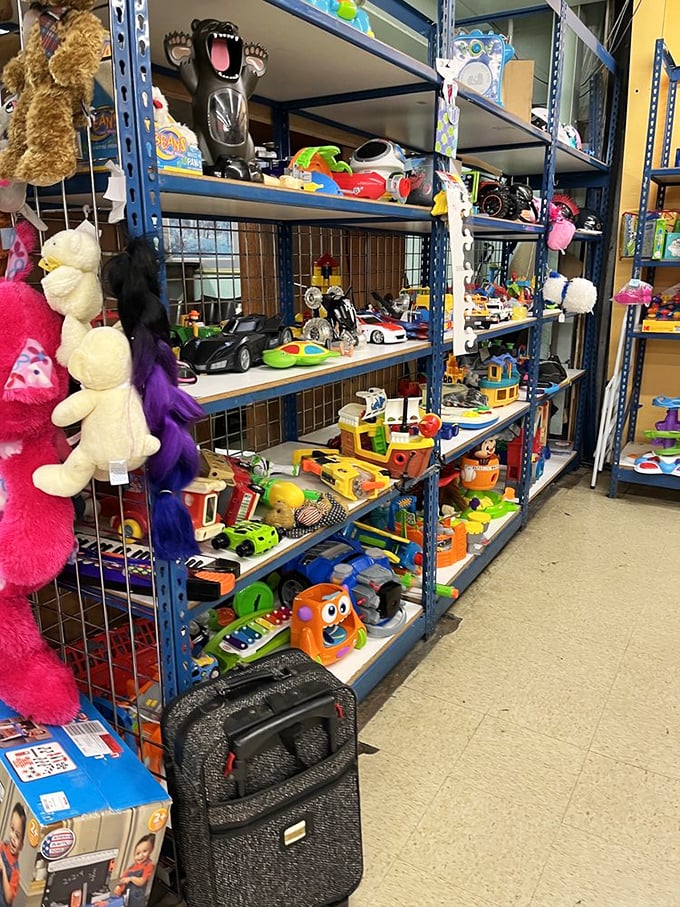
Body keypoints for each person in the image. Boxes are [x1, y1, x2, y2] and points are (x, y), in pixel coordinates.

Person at [113, 834, 156, 905]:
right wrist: (119, 887)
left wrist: (131, 879)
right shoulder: (132, 867)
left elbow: (142, 881)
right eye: (138, 853)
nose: (141, 856)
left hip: (136, 898)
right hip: (125, 895)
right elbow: (123, 879)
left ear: (151, 850)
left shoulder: (149, 865)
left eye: (145, 851)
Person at [0, 803, 25, 906]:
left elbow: (9, 898)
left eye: (17, 835)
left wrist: (4, 870)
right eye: (12, 829)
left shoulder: (15, 871)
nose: (13, 837)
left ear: (22, 845)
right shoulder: (3, 846)